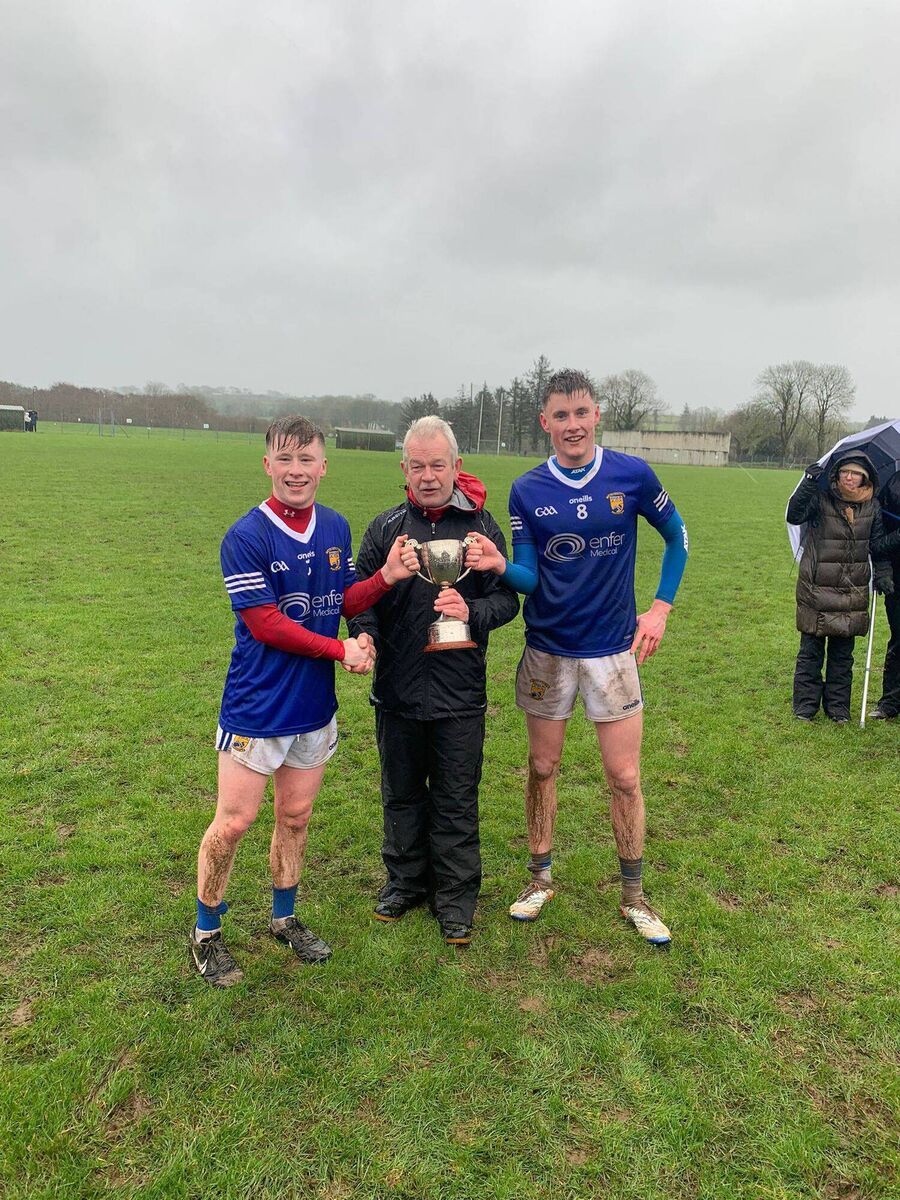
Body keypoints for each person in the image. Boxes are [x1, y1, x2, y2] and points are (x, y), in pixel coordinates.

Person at [190, 416, 417, 987]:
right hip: (258, 708)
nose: (296, 471)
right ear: (268, 464)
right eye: (284, 460)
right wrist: (340, 651)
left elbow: (340, 598)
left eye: (306, 459)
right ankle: (206, 933)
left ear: (323, 465)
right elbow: (265, 624)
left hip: (313, 709)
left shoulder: (335, 527)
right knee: (235, 822)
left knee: (295, 817)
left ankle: (284, 918)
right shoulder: (246, 536)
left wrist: (385, 577)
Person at [464, 369, 688, 946]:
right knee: (542, 768)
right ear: (545, 422)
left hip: (613, 652)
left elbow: (678, 536)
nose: (572, 424)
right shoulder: (527, 490)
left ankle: (634, 895)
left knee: (624, 775)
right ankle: (539, 879)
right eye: (560, 415)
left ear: (596, 415)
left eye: (581, 412)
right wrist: (496, 566)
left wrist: (659, 608)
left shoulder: (631, 475)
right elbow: (529, 579)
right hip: (548, 653)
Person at [348, 416, 519, 945]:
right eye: (417, 466)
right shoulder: (384, 529)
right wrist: (366, 635)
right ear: (404, 468)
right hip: (397, 690)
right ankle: (404, 883)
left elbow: (507, 600)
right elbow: (359, 597)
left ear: (455, 467)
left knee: (456, 797)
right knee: (400, 793)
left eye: (437, 465)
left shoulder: (482, 529)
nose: (427, 475)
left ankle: (456, 898)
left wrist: (470, 612)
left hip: (460, 694)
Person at [787, 455, 893, 724]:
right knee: (811, 652)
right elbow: (794, 514)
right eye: (844, 472)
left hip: (851, 592)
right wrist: (809, 483)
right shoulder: (821, 499)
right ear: (836, 475)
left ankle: (838, 709)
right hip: (816, 588)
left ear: (865, 478)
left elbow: (877, 547)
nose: (849, 477)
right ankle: (805, 707)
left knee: (842, 657)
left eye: (855, 473)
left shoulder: (873, 507)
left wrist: (884, 572)